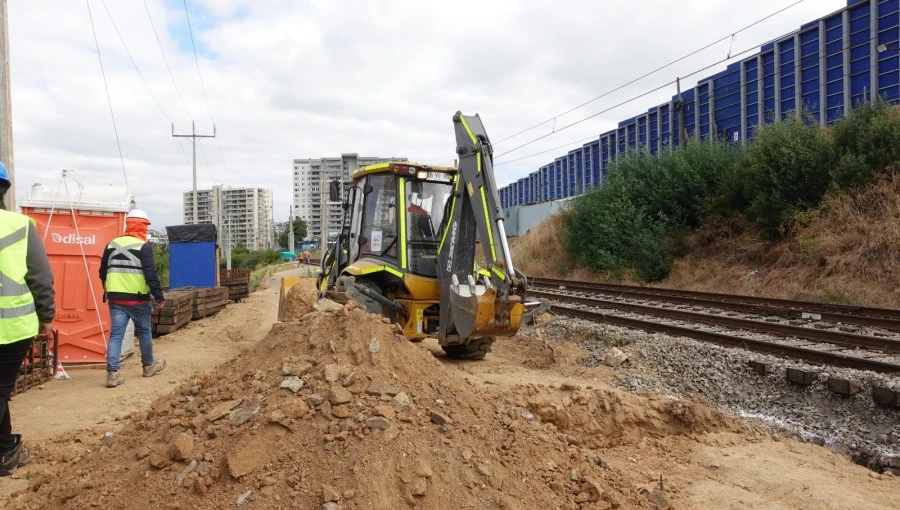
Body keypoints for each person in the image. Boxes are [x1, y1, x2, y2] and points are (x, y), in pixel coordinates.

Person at [0, 162, 55, 476]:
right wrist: (46, 316)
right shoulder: (20, 226)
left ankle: (6, 450)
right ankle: (6, 450)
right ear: (5, 190)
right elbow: (40, 277)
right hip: (12, 328)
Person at [99, 208, 166, 388]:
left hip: (116, 300)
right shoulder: (143, 247)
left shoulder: (111, 245)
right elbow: (151, 274)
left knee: (116, 336)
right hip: (138, 300)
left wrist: (109, 290)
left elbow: (102, 272)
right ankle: (148, 366)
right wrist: (159, 297)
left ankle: (112, 374)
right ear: (143, 227)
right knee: (144, 331)